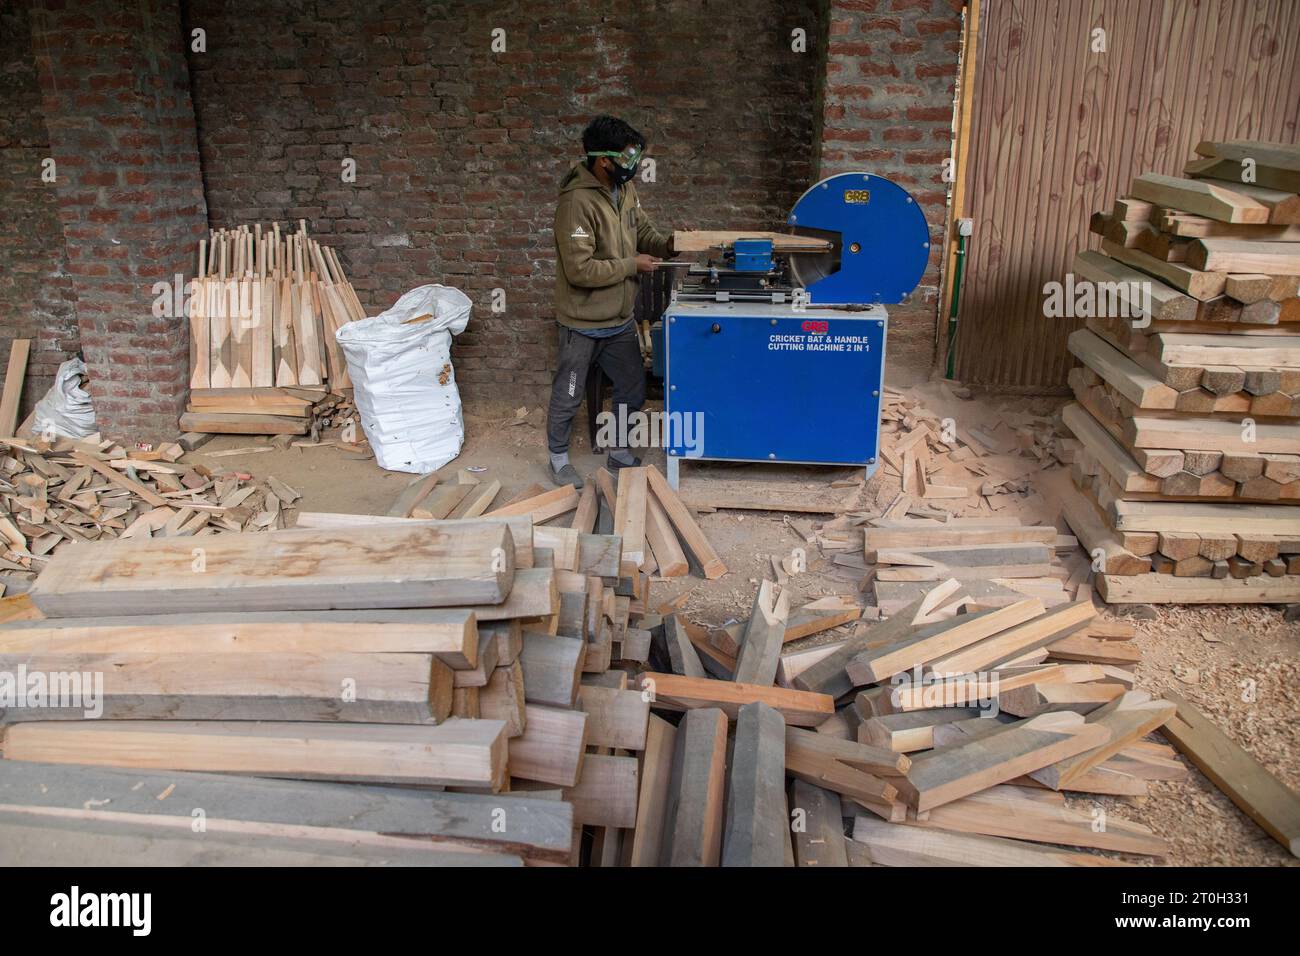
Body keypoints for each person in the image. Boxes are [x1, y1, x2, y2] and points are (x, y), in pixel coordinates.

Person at [546, 115, 677, 489]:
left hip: (619, 319)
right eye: (627, 157)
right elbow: (580, 270)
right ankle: (558, 458)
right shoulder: (576, 204)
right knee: (569, 392)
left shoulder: (625, 192)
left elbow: (643, 230)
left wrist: (668, 243)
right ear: (603, 160)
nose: (633, 164)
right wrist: (631, 264)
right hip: (582, 323)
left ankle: (619, 451)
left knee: (631, 388)